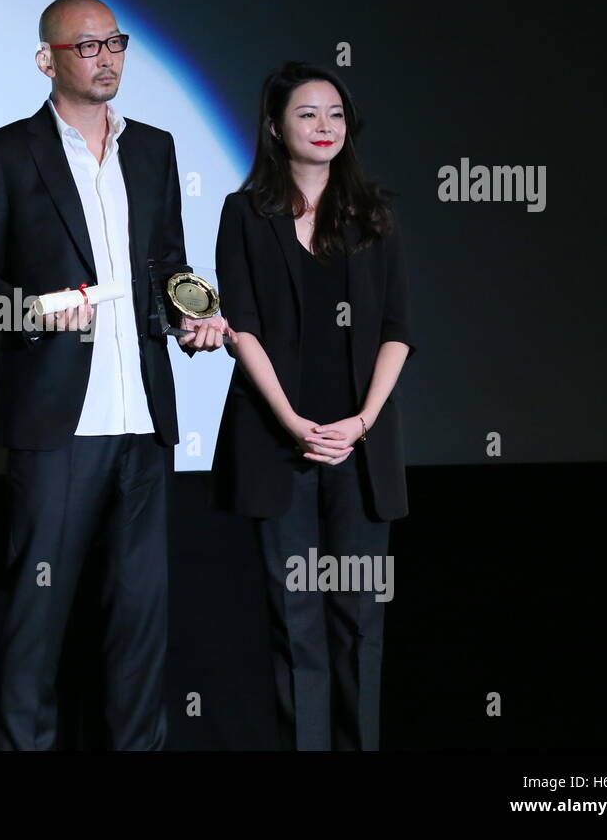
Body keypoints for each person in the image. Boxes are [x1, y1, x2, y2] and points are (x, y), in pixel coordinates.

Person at [0, 0, 228, 750]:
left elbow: (168, 264)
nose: (106, 57)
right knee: (35, 622)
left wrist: (196, 313)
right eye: (87, 46)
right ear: (47, 59)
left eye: (116, 43)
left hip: (144, 422)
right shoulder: (4, 152)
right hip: (56, 426)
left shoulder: (155, 147)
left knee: (140, 621)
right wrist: (34, 311)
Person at [211, 61, 417, 750]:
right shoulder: (246, 213)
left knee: (361, 620)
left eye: (334, 114)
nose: (324, 126)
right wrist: (293, 422)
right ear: (275, 126)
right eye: (307, 113)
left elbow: (397, 330)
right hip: (280, 444)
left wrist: (361, 423)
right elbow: (242, 327)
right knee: (294, 618)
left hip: (361, 452)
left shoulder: (374, 212)